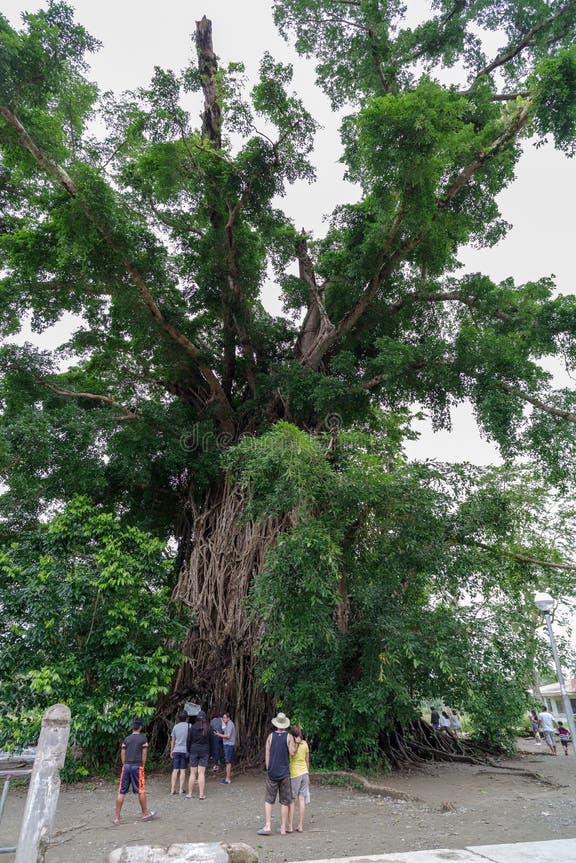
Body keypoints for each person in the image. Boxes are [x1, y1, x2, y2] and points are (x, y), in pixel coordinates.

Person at [257, 711, 297, 836]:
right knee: (285, 801)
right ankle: (283, 827)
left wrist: (269, 768)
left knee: (269, 799)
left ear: (276, 724)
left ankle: (268, 825)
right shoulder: (289, 737)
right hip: (284, 772)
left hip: (272, 772)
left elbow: (267, 753)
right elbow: (292, 753)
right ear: (285, 724)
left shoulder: (270, 736)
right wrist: (296, 743)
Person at [113, 718, 156, 825]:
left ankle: (117, 818)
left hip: (126, 766)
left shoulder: (126, 739)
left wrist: (124, 764)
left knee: (122, 791)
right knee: (141, 790)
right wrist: (143, 765)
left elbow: (122, 753)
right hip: (137, 766)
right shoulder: (143, 739)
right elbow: (144, 755)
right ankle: (145, 814)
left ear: (133, 726)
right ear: (140, 727)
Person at [287, 725, 309, 833]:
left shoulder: (292, 744)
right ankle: (300, 825)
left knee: (292, 800)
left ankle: (290, 826)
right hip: (305, 773)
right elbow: (307, 760)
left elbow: (292, 754)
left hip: (295, 774)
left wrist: (295, 742)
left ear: (292, 734)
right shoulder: (305, 744)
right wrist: (307, 773)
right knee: (301, 799)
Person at [186, 709, 210, 799]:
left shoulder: (192, 727)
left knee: (192, 773)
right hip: (204, 751)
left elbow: (188, 740)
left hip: (193, 750)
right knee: (201, 773)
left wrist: (189, 750)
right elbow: (211, 741)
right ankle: (201, 795)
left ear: (197, 718)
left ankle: (189, 794)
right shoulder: (208, 727)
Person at [170, 710, 189, 794]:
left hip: (176, 750)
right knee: (183, 770)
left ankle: (172, 789)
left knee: (175, 770)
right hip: (185, 750)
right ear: (186, 718)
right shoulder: (189, 726)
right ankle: (181, 789)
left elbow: (173, 740)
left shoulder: (175, 727)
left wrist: (171, 750)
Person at [214, 711, 235, 784]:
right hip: (227, 745)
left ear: (228, 718)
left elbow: (228, 736)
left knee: (228, 762)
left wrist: (219, 734)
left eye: (224, 718)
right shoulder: (227, 724)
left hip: (229, 745)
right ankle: (227, 777)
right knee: (227, 762)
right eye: (223, 718)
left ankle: (228, 779)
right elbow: (225, 731)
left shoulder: (230, 724)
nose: (223, 719)